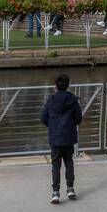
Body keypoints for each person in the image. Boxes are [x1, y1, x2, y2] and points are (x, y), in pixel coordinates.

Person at [41, 74, 84, 204]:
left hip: (55, 137)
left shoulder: (51, 100)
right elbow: (78, 118)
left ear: (56, 86)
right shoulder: (72, 100)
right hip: (68, 136)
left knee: (55, 164)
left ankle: (55, 192)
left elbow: (43, 118)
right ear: (67, 86)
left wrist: (53, 126)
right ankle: (70, 188)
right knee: (69, 162)